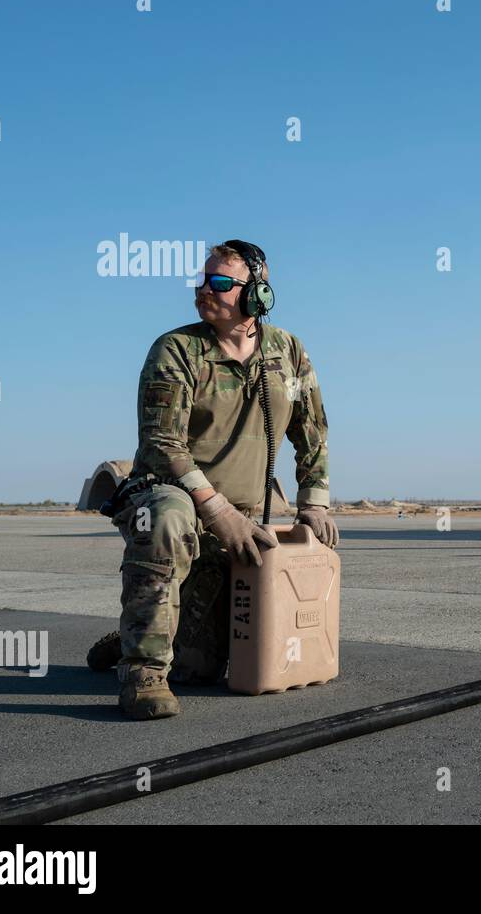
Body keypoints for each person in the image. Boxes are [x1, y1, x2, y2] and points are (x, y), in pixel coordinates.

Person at [88, 240, 337, 719]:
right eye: (201, 280)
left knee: (200, 668)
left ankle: (141, 634)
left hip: (240, 521)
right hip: (169, 498)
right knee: (165, 517)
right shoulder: (176, 350)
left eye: (220, 282)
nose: (204, 289)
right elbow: (164, 445)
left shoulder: (288, 352)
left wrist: (315, 502)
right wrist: (216, 509)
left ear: (257, 295)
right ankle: (142, 672)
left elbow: (313, 431)